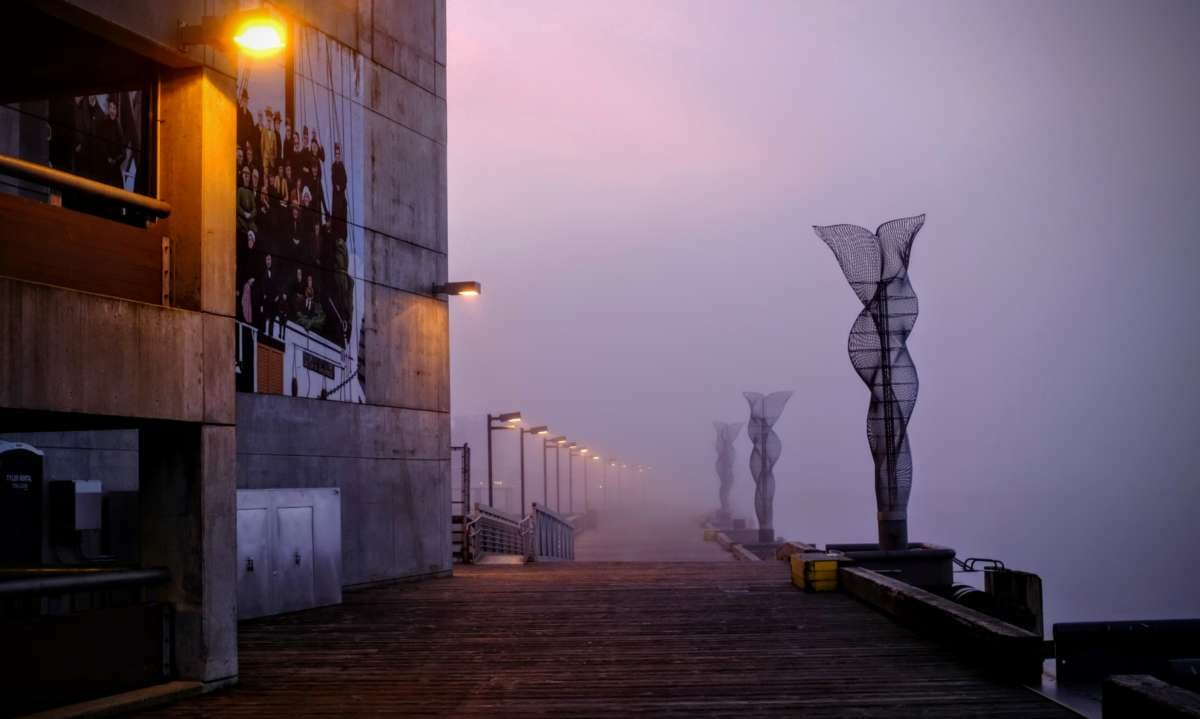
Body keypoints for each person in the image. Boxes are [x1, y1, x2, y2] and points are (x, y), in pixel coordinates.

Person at [237, 165, 256, 238]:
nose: (247, 178)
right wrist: (244, 213)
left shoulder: (250, 193)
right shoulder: (240, 190)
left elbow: (254, 209)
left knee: (254, 229)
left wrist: (250, 215)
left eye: (248, 175)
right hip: (241, 219)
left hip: (249, 220)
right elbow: (237, 206)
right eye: (245, 174)